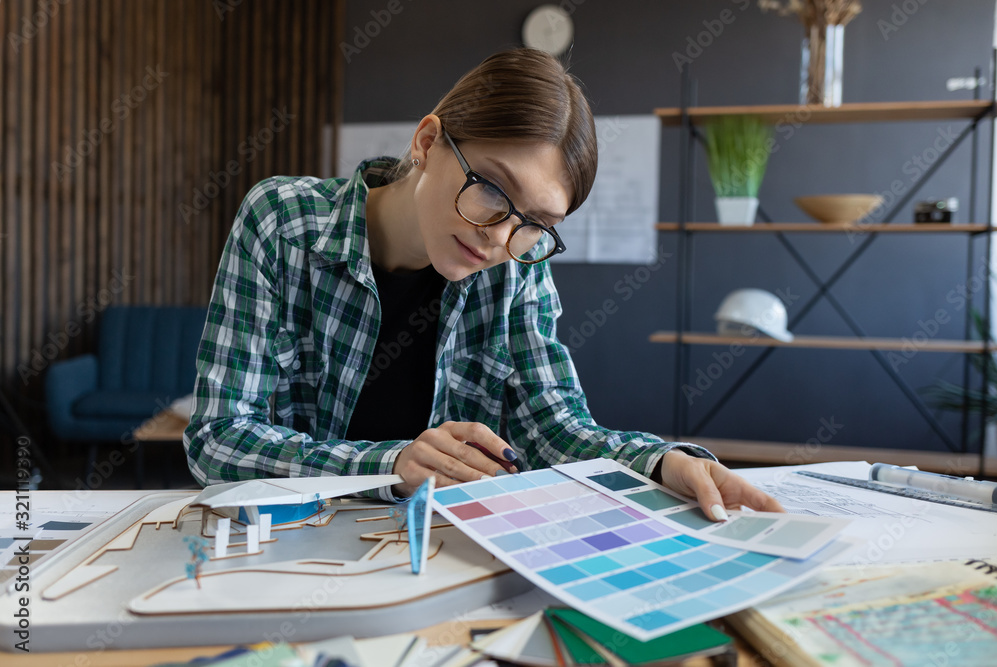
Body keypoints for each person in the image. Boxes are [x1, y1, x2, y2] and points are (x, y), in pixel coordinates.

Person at [184, 47, 782, 521]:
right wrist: (391, 465)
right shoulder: (283, 222)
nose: (499, 237)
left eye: (537, 223)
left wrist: (659, 463)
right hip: (289, 544)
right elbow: (217, 439)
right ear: (426, 143)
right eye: (493, 190)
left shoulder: (519, 264)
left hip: (441, 552)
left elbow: (556, 430)